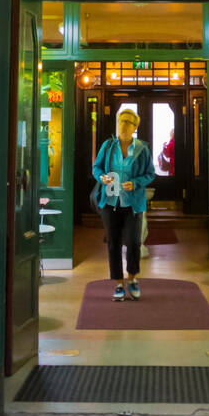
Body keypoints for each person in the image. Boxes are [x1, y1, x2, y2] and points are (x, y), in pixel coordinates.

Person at [92, 106, 155, 301]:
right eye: (121, 122)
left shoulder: (142, 149)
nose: (123, 126)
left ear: (135, 127)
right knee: (113, 243)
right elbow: (96, 167)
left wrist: (135, 183)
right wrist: (102, 177)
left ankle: (132, 279)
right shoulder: (108, 146)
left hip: (133, 204)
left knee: (134, 242)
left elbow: (150, 173)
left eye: (127, 123)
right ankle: (119, 284)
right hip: (110, 202)